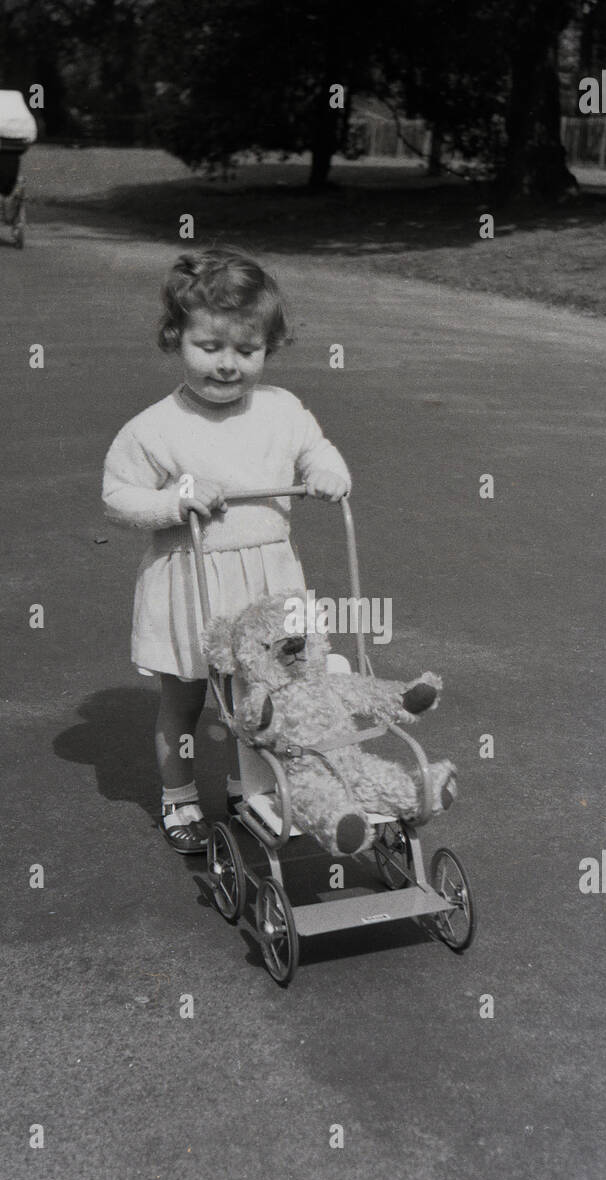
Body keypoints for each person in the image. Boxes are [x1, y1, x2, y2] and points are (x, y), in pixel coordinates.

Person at [102, 249, 352, 854]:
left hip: (270, 582)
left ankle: (253, 787)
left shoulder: (281, 410)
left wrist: (327, 471)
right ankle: (179, 796)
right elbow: (118, 496)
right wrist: (174, 500)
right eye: (209, 347)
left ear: (269, 346)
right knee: (186, 698)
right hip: (193, 583)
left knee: (271, 692)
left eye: (246, 349)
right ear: (176, 338)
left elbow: (316, 449)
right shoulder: (155, 427)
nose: (227, 364)